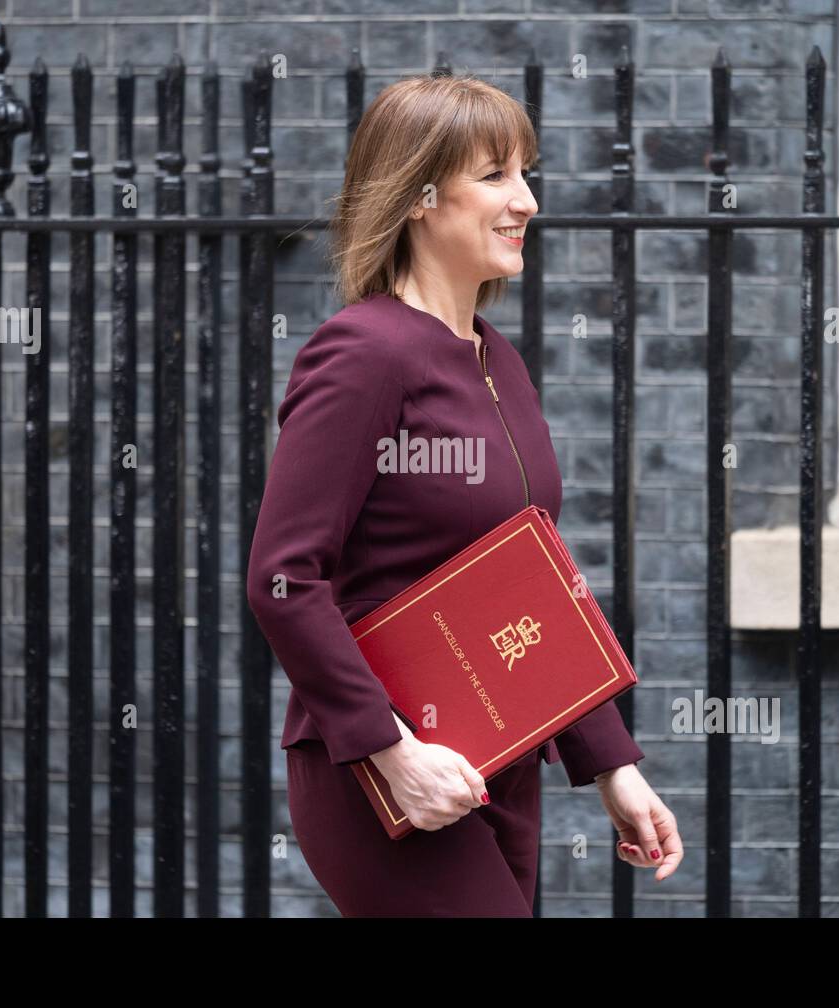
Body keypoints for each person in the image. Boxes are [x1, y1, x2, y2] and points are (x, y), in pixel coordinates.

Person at [246, 72, 682, 917]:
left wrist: (611, 763)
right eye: (495, 175)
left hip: (496, 758)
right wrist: (389, 752)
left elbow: (531, 580)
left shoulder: (495, 358)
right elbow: (284, 577)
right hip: (384, 774)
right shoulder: (365, 353)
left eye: (528, 173)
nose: (526, 201)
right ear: (417, 194)